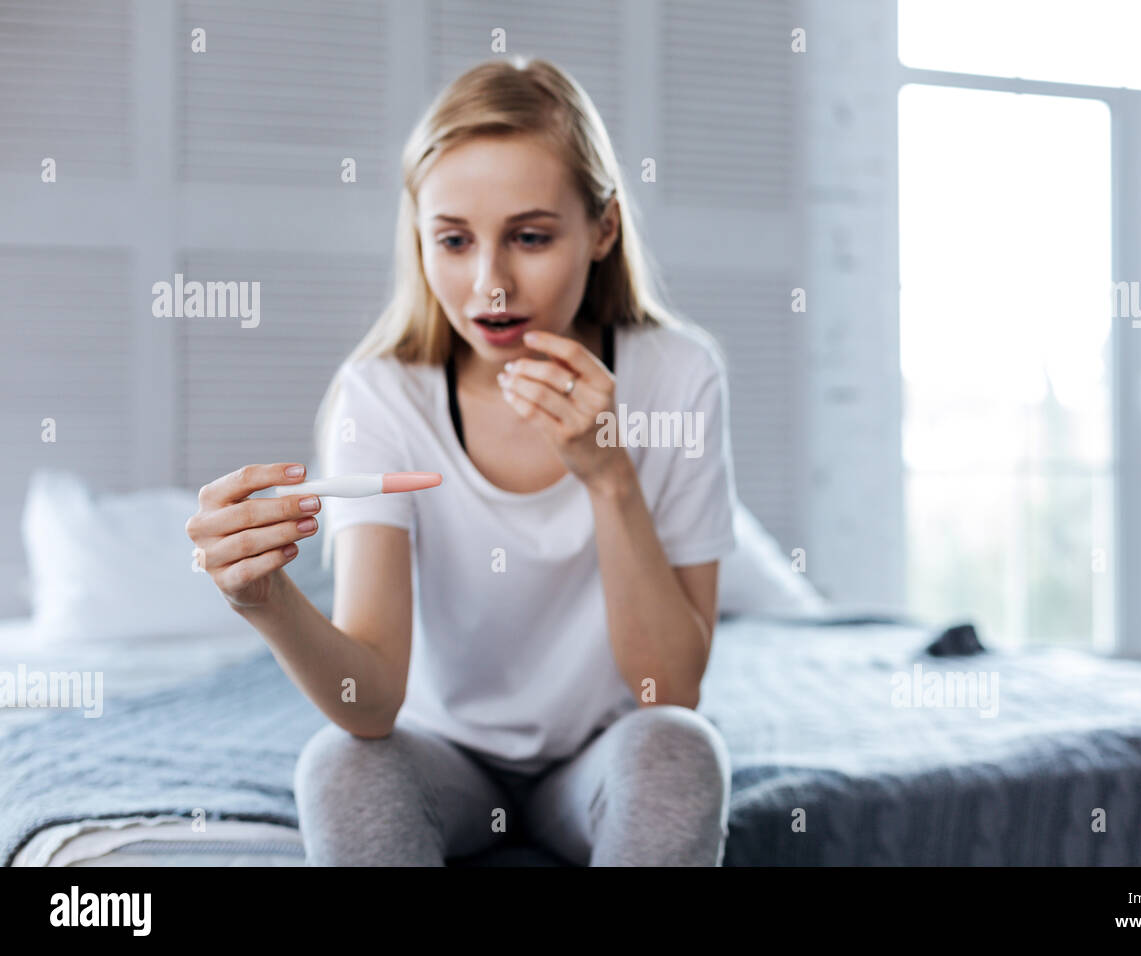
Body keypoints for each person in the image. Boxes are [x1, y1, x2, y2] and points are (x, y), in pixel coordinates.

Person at [186, 56, 737, 866]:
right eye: (454, 240)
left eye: (531, 237)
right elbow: (369, 704)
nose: (491, 285)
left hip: (605, 755)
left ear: (604, 229)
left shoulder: (680, 374)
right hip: (448, 764)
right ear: (421, 237)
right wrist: (264, 600)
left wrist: (609, 475)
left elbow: (671, 690)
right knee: (341, 765)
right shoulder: (380, 396)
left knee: (680, 748)